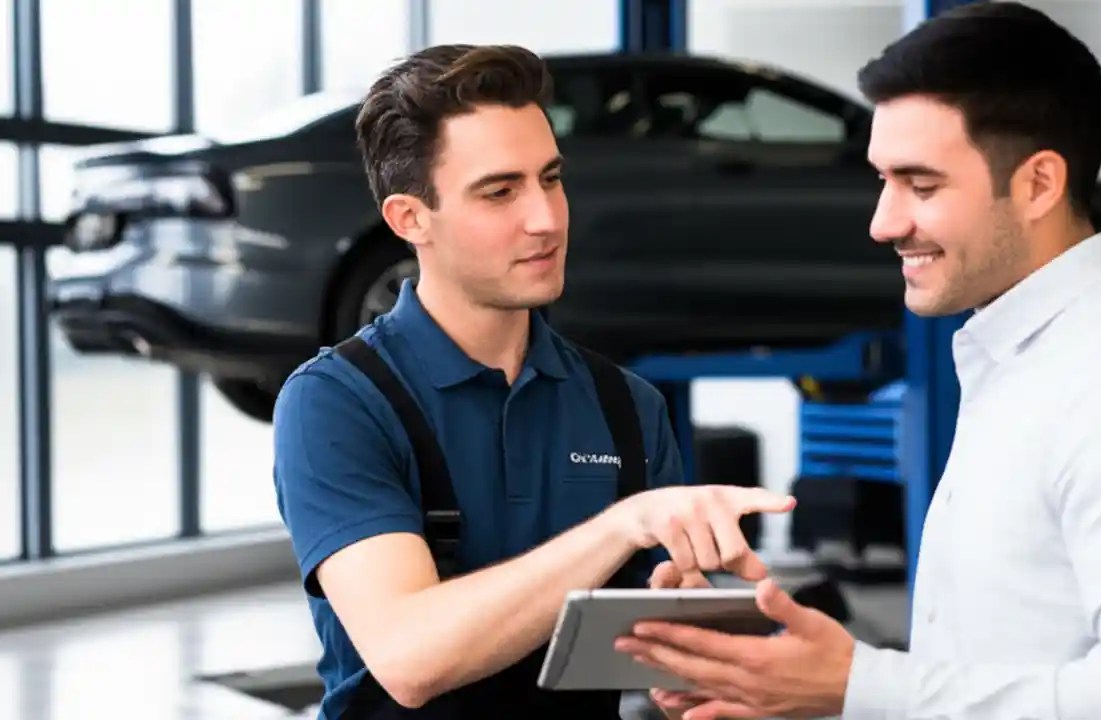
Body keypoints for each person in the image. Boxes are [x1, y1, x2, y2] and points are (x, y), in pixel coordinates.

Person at [616, 4, 1101, 719]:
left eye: (921, 185)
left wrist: (855, 684)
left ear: (1039, 185)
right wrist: (782, 686)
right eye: (883, 180)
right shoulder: (1026, 362)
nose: (883, 222)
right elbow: (981, 677)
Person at [271, 44, 796, 720]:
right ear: (410, 219)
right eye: (500, 192)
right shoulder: (337, 402)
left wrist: (692, 656)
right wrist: (622, 526)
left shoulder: (626, 408)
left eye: (551, 179)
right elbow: (409, 657)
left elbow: (653, 639)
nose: (546, 218)